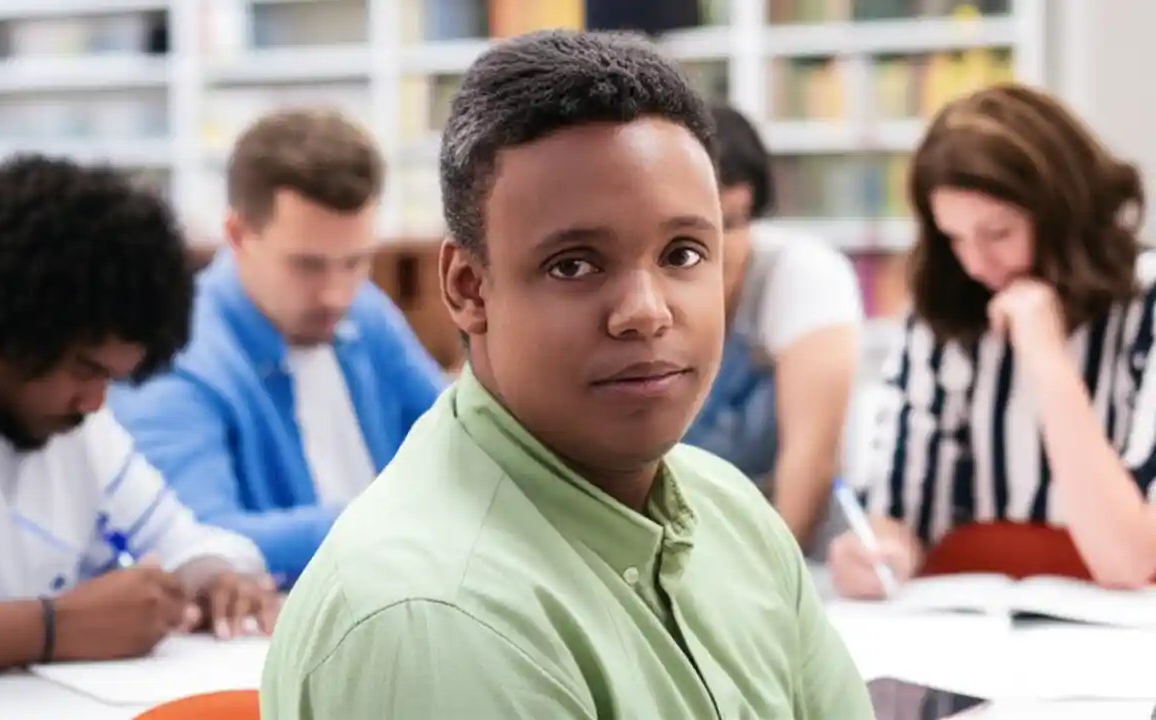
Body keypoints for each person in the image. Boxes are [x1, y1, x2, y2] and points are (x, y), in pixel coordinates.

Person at [261, 30, 871, 719]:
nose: (645, 312)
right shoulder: (438, 617)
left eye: (684, 253)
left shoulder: (730, 512)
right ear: (468, 288)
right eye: (574, 265)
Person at [0, 155, 277, 688]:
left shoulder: (68, 411)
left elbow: (178, 538)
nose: (95, 402)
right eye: (86, 371)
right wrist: (53, 627)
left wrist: (217, 576)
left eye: (112, 378)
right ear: (0, 334)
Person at [829, 83, 1156, 598]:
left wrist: (1047, 360)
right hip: (973, 629)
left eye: (998, 233)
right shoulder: (944, 311)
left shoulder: (1147, 308)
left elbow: (1130, 559)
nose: (976, 265)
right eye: (954, 238)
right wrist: (879, 552)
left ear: (1067, 214)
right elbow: (900, 517)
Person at [110, 109, 447, 588]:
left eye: (354, 262)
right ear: (237, 235)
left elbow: (462, 441)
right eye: (307, 266)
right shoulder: (174, 358)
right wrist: (405, 521)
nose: (336, 293)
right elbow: (196, 540)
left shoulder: (362, 311)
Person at [684, 105, 863, 550]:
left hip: (787, 548)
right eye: (697, 230)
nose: (723, 247)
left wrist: (768, 589)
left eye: (736, 221)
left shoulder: (801, 274)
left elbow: (811, 460)